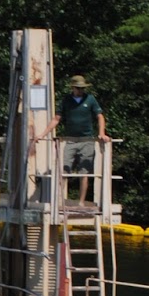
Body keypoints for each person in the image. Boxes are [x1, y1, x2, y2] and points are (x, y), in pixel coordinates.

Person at [30, 74, 108, 206]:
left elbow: (99, 116)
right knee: (64, 170)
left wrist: (101, 133)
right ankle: (59, 201)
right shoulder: (66, 100)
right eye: (78, 88)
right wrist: (42, 134)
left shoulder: (90, 99)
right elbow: (57, 119)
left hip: (87, 140)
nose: (80, 90)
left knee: (85, 171)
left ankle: (81, 202)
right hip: (70, 140)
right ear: (72, 88)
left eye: (82, 88)